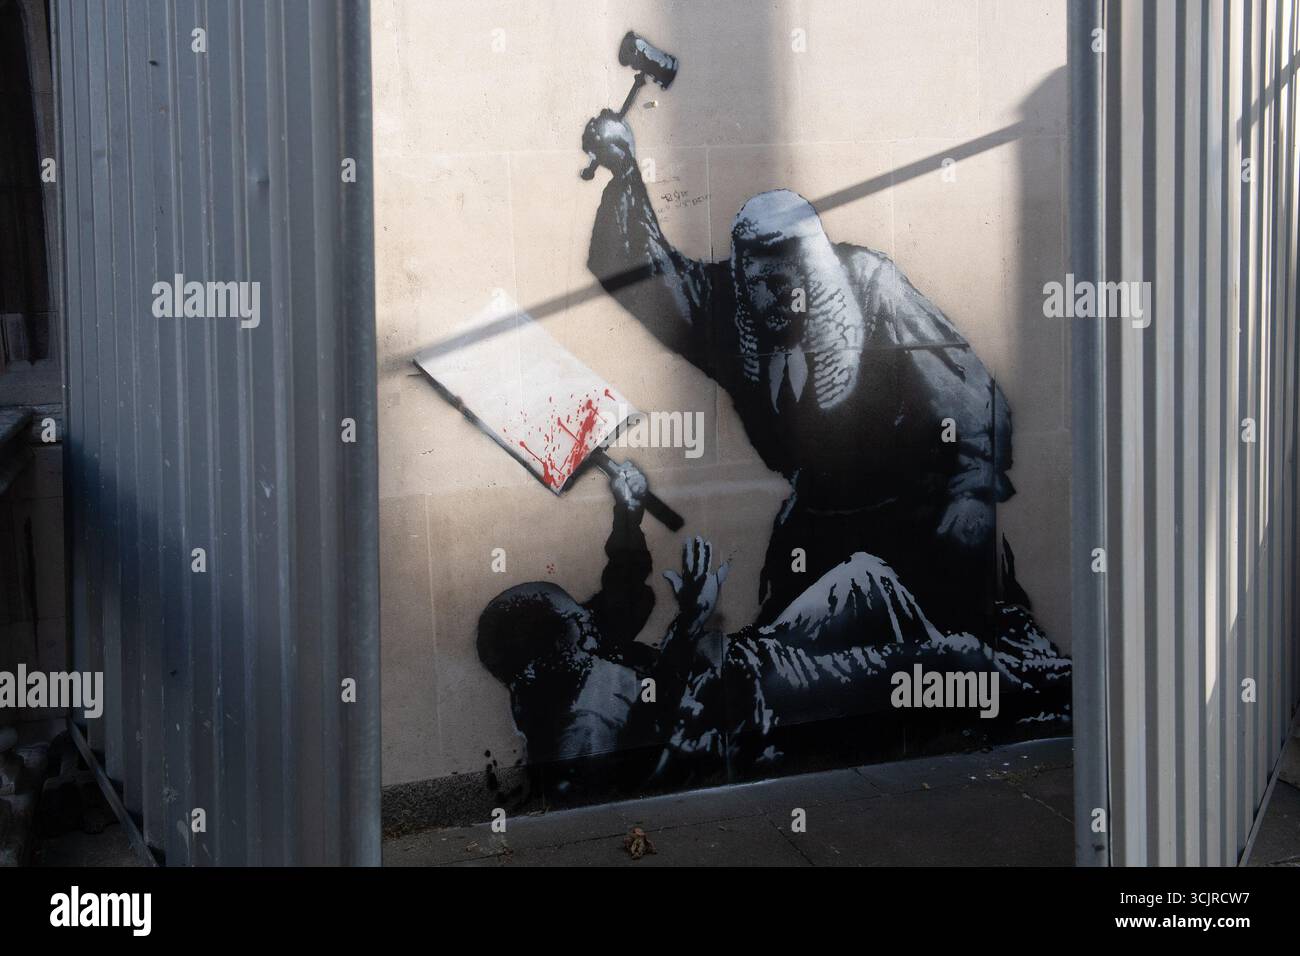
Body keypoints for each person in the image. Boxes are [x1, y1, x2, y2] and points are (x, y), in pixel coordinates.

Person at [582, 110, 1014, 638]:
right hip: (816, 526)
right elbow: (645, 279)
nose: (777, 302)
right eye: (760, 284)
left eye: (790, 283)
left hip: (914, 521)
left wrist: (972, 491)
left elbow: (967, 393)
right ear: (744, 279)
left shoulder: (872, 288)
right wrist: (625, 167)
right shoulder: (727, 308)